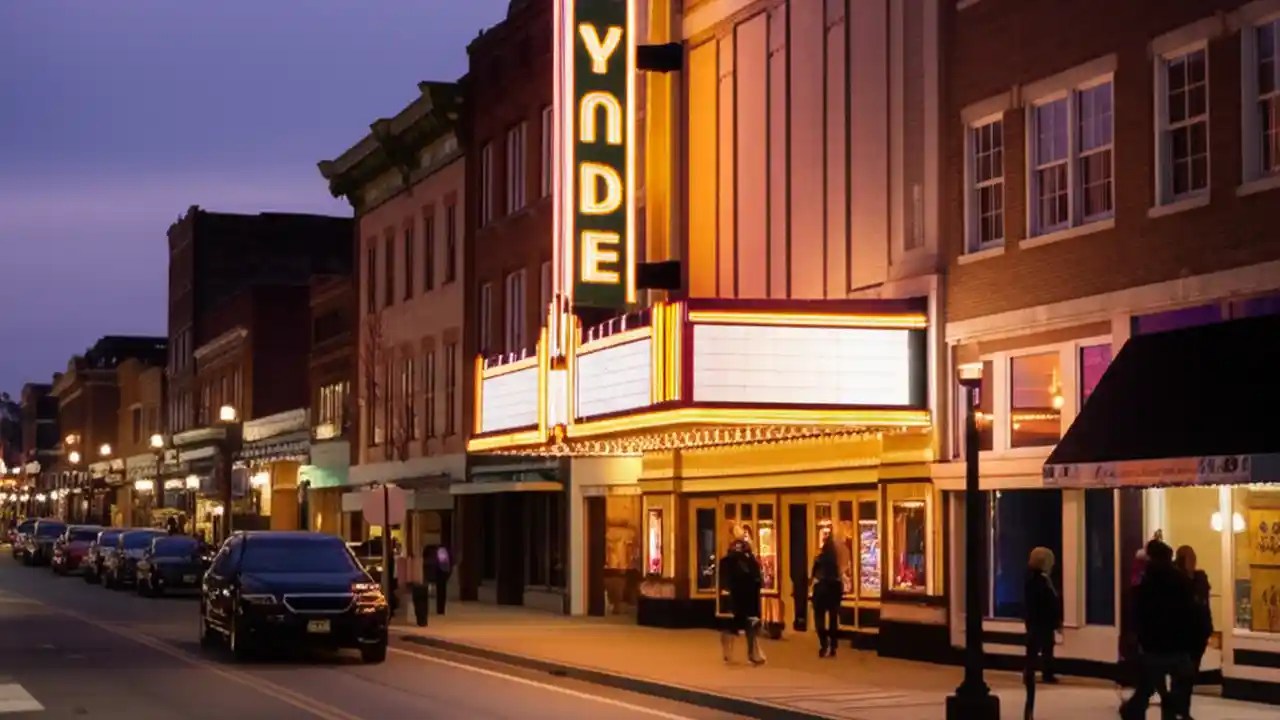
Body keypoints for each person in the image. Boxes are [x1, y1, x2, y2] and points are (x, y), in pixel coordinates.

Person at [1120, 539, 1196, 720]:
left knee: (1148, 685)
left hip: (1152, 643)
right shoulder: (1181, 580)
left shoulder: (1144, 582)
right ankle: (1172, 711)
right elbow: (1189, 612)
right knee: (1180, 682)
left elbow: (1138, 613)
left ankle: (1134, 711)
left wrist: (1136, 637)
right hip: (1177, 642)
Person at [1173, 545, 1212, 720]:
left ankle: (1182, 708)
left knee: (1189, 675)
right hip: (1183, 636)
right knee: (1181, 675)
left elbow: (1203, 605)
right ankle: (1178, 708)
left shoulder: (1199, 579)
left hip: (1196, 635)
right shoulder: (1177, 580)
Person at [1023, 547, 1061, 720]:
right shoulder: (1043, 583)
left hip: (1036, 623)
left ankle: (1034, 670)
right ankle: (1042, 671)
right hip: (1042, 623)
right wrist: (1055, 620)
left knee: (1038, 648)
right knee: (1045, 646)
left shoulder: (1032, 581)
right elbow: (1049, 603)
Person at [718, 537, 765, 665]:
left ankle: (732, 653)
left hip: (739, 599)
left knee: (732, 627)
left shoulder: (731, 561)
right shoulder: (748, 562)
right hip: (743, 599)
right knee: (744, 627)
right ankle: (749, 654)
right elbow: (758, 581)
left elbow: (724, 581)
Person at [810, 535, 843, 658]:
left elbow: (813, 575)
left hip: (822, 589)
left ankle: (824, 644)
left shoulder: (819, 559)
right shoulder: (836, 561)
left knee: (819, 619)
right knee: (833, 619)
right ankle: (833, 646)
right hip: (834, 588)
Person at [433, 544, 452, 615]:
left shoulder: (440, 552)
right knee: (443, 592)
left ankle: (439, 609)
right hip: (444, 574)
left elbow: (438, 565)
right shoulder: (446, 553)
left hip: (440, 574)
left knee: (440, 592)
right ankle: (442, 609)